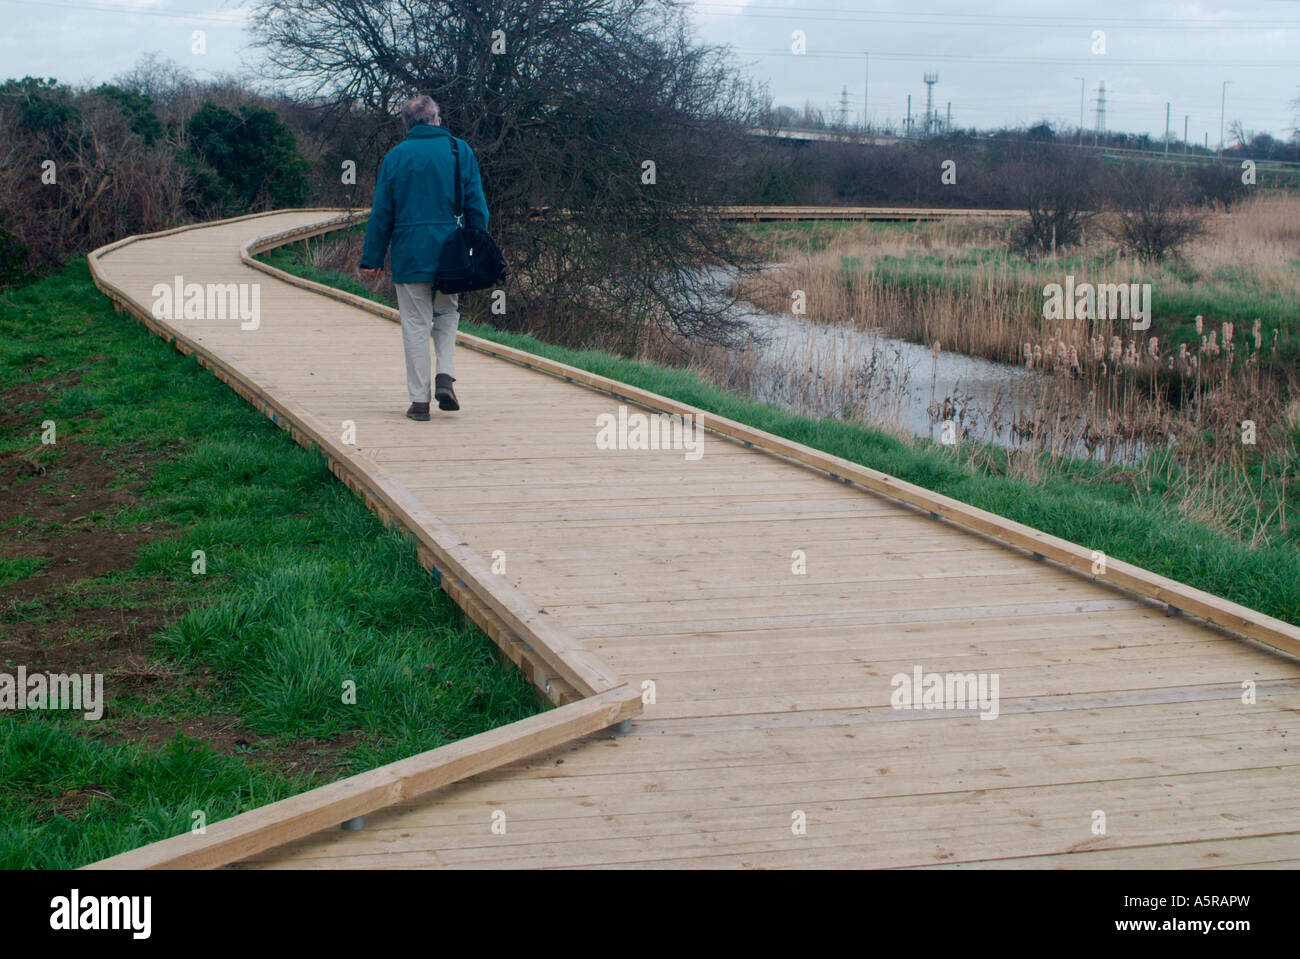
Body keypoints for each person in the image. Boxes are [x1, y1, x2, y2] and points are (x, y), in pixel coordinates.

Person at [360, 95, 490, 419]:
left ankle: (420, 402)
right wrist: (476, 246)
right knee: (447, 312)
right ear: (436, 119)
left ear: (407, 125)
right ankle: (445, 374)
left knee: (416, 324)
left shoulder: (395, 157)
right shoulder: (460, 151)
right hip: (451, 249)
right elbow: (476, 205)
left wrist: (372, 258)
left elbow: (382, 213)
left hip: (410, 251)